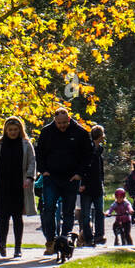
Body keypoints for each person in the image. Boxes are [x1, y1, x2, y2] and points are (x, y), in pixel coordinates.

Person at [34, 108, 93, 255]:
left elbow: (88, 155)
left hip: (71, 178)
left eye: (64, 122)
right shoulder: (47, 132)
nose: (62, 126)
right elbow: (39, 153)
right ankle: (50, 240)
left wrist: (80, 174)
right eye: (59, 123)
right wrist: (43, 170)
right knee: (48, 209)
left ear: (69, 119)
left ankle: (64, 239)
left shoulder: (80, 132)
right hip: (51, 177)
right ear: (55, 120)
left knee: (68, 210)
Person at [0, 116, 37, 259]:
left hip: (19, 186)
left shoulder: (26, 144)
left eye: (15, 130)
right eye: (10, 130)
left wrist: (30, 177)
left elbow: (32, 162)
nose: (13, 132)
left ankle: (18, 248)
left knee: (17, 217)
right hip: (2, 186)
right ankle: (2, 245)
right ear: (5, 130)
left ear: (20, 130)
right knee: (3, 217)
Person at [78, 125, 107, 247]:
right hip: (88, 186)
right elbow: (84, 167)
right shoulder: (88, 150)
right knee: (86, 214)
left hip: (97, 185)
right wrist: (82, 183)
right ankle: (89, 237)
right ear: (100, 136)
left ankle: (99, 235)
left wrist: (102, 181)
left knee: (99, 212)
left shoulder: (99, 150)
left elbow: (100, 169)